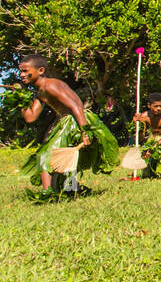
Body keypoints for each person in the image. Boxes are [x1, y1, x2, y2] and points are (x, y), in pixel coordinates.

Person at [16, 54, 120, 195]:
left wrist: (85, 130)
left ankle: (49, 193)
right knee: (64, 157)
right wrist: (19, 97)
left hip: (76, 120)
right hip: (67, 121)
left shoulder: (51, 85)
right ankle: (69, 189)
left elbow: (76, 105)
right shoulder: (41, 92)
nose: (21, 75)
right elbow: (30, 117)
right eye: (20, 71)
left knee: (46, 155)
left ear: (40, 70)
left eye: (25, 71)